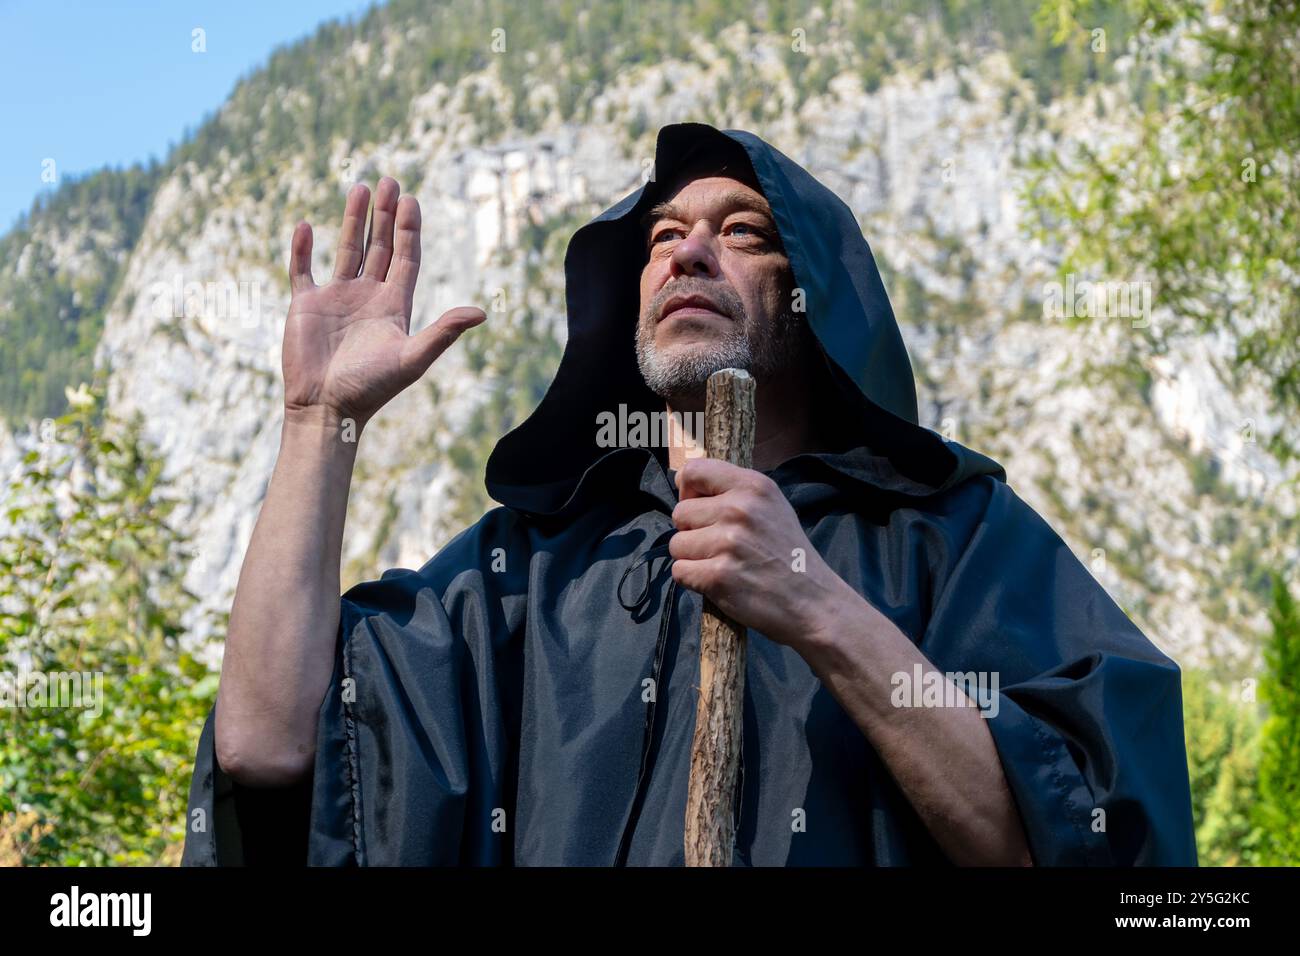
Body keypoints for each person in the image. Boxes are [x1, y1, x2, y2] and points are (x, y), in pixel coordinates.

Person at [181, 122, 1198, 866]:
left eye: (741, 229)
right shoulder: (524, 577)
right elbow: (270, 748)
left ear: (815, 303)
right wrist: (320, 422)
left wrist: (818, 605)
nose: (686, 249)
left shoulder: (952, 534)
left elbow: (1074, 842)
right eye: (663, 234)